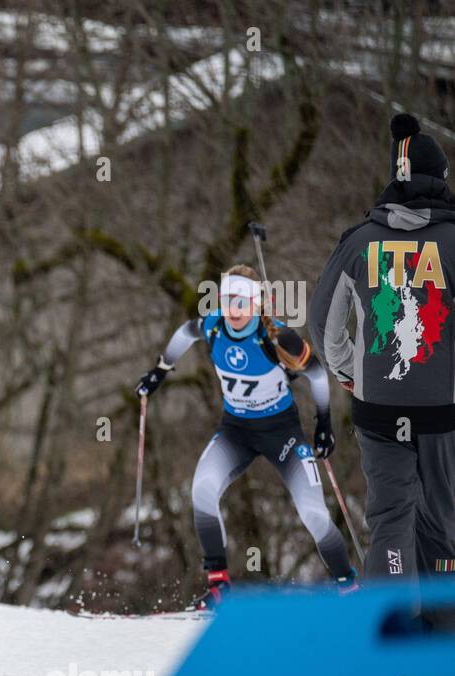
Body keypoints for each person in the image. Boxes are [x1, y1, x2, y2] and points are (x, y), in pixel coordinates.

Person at [137, 265, 356, 609]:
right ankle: (218, 586)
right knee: (202, 491)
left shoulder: (279, 338)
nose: (234, 311)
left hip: (281, 434)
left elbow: (316, 375)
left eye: (242, 302)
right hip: (236, 431)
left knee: (313, 512)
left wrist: (324, 422)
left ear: (257, 304)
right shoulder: (213, 326)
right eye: (227, 301)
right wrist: (161, 370)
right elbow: (184, 332)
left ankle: (348, 586)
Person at [308, 112, 455, 584]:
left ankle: (387, 628)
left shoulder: (358, 242)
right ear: (441, 180)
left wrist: (351, 371)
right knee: (442, 523)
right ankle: (442, 628)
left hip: (379, 407)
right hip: (443, 411)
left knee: (389, 520)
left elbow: (323, 324)